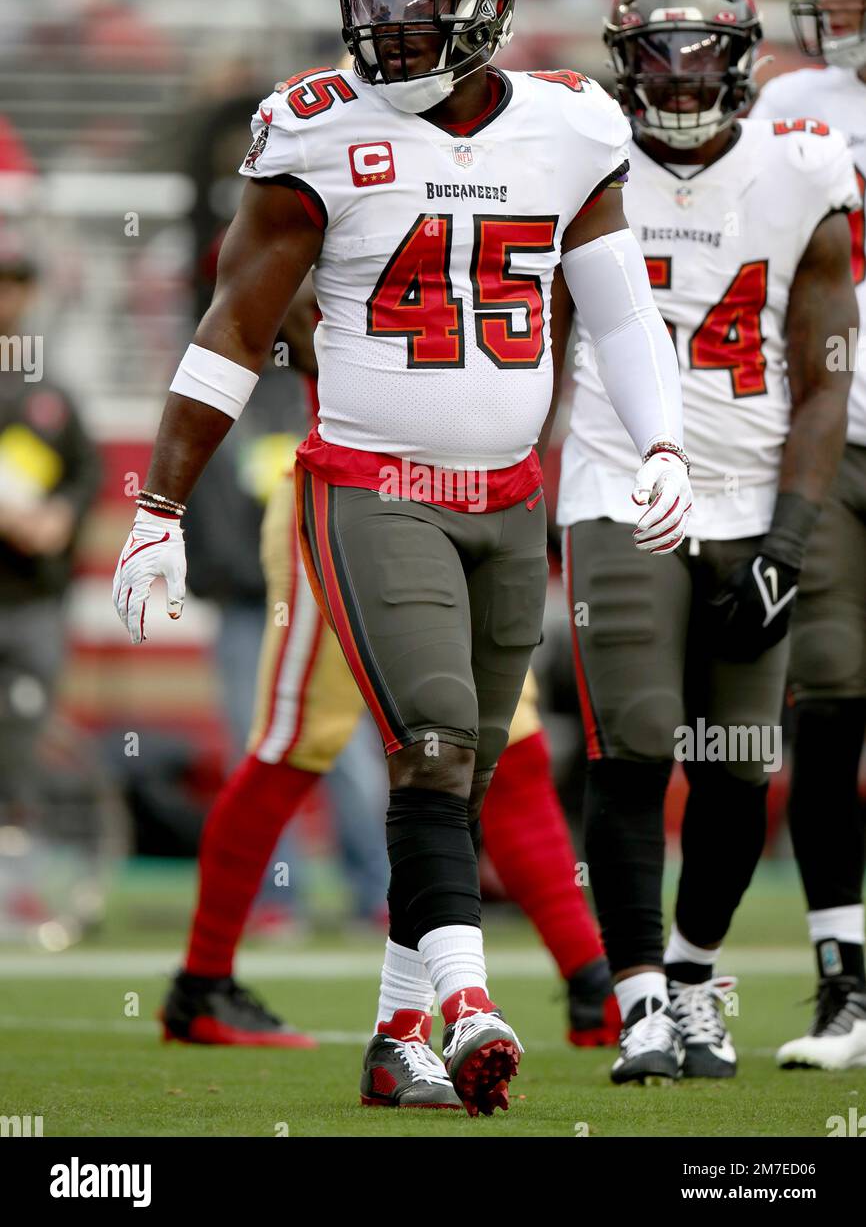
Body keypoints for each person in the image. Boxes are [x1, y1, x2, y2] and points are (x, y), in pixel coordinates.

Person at [113, 0, 690, 1116]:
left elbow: (622, 307)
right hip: (369, 485)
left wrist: (662, 444)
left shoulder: (569, 126)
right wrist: (157, 503)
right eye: (373, 8)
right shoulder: (314, 130)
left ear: (484, 12)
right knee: (425, 742)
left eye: (419, 10)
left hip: (506, 498)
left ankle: (397, 1032)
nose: (392, 36)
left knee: (475, 766)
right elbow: (234, 330)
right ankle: (474, 1002)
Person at [160, 295, 622, 1060]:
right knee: (293, 747)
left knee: (508, 752)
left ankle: (589, 979)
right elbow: (284, 306)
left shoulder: (498, 184)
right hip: (358, 498)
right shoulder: (349, 186)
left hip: (476, 500)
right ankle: (202, 981)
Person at [557, 0, 858, 1084]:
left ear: (741, 68)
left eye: (701, 59)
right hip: (618, 484)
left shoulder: (801, 163)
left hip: (749, 495)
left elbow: (823, 372)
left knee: (737, 764)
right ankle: (635, 1001)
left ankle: (690, 983)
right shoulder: (582, 158)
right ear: (622, 66)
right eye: (656, 59)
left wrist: (786, 540)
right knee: (633, 738)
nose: (679, 83)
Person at [751, 0, 866, 1071]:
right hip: (824, 439)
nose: (830, 0)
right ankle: (844, 982)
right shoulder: (788, 102)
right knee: (826, 705)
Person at [0, 237, 100, 818]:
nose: (7, 297)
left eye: (16, 283)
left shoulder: (50, 389)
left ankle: (18, 866)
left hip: (37, 597)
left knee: (27, 732)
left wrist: (60, 514)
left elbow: (86, 472)